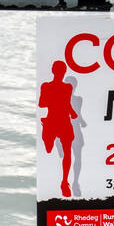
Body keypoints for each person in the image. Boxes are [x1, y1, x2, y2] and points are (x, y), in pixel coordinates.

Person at [38, 60, 78, 198]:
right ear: (55, 71)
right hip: (53, 120)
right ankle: (47, 135)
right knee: (48, 148)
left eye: (62, 71)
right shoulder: (46, 86)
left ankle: (65, 182)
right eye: (60, 71)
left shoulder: (67, 87)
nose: (61, 73)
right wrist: (56, 101)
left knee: (67, 152)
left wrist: (72, 113)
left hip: (63, 121)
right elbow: (42, 104)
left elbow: (67, 103)